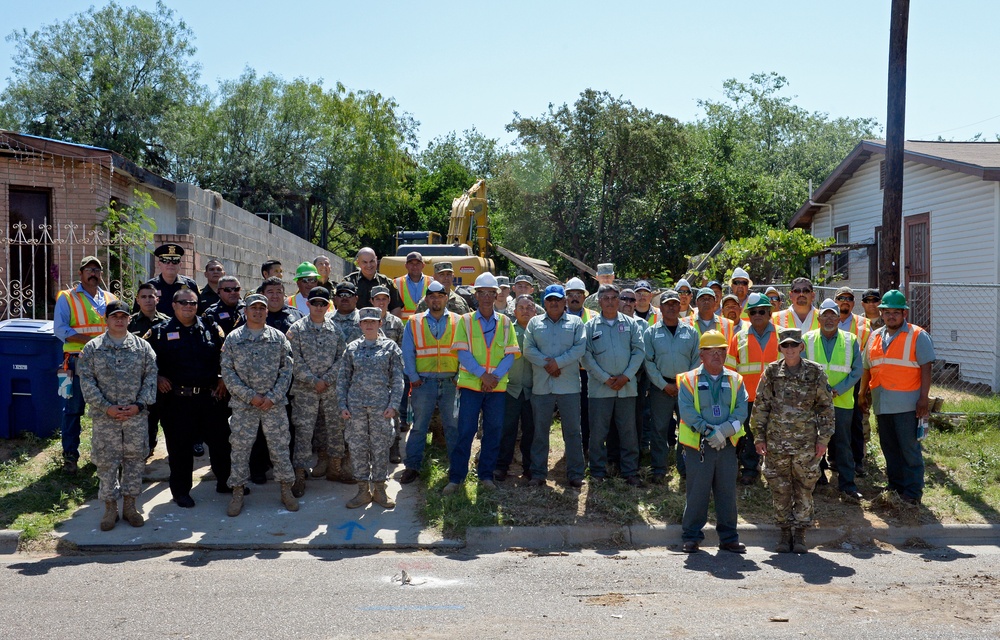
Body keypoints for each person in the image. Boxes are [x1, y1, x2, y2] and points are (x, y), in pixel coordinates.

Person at [753, 328, 835, 553]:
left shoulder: (815, 372)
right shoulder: (771, 372)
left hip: (806, 443)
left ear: (801, 347)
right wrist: (759, 437)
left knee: (804, 487)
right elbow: (761, 406)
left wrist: (823, 439)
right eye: (785, 345)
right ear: (780, 348)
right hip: (776, 442)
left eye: (793, 345)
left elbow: (826, 407)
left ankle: (800, 534)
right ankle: (783, 533)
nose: (789, 349)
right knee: (780, 488)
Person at [77, 300, 157, 531]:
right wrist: (106, 407)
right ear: (107, 319)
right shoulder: (92, 348)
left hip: (135, 417)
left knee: (135, 461)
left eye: (123, 316)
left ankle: (130, 506)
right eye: (115, 316)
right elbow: (87, 382)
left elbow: (151, 378)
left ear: (129, 319)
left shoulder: (143, 348)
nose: (119, 320)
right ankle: (110, 508)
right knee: (106, 463)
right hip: (106, 418)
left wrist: (139, 405)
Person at [144, 289, 228, 507]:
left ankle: (226, 482)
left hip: (210, 398)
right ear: (174, 305)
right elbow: (143, 362)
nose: (189, 306)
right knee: (180, 448)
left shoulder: (211, 328)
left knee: (221, 442)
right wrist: (157, 376)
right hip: (176, 401)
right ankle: (181, 492)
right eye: (184, 303)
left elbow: (226, 355)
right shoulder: (159, 332)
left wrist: (223, 377)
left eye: (193, 303)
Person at [222, 294, 298, 516]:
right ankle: (237, 491)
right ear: (245, 311)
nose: (257, 312)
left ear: (266, 311)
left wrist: (273, 396)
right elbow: (227, 372)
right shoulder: (233, 338)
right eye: (253, 308)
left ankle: (286, 489)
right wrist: (250, 396)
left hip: (273, 405)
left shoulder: (278, 337)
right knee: (240, 449)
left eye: (261, 308)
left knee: (280, 448)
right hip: (244, 406)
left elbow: (287, 369)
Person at [444, 273, 520, 494]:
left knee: (493, 431)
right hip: (471, 386)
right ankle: (456, 478)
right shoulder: (466, 321)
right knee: (465, 432)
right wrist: (482, 375)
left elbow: (511, 353)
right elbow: (462, 352)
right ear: (476, 295)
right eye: (482, 293)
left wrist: (493, 377)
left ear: (496, 295)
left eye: (490, 293)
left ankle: (486, 475)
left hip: (496, 388)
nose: (486, 297)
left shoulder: (505, 322)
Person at [859, 290, 935, 506]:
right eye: (887, 312)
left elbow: (926, 367)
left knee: (909, 449)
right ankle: (895, 486)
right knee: (889, 447)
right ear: (881, 313)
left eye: (896, 312)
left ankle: (912, 492)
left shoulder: (917, 335)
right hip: (882, 403)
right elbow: (867, 367)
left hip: (907, 405)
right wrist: (862, 393)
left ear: (904, 314)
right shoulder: (875, 336)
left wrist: (923, 399)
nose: (891, 316)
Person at [677, 330, 749, 554]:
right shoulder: (688, 380)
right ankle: (691, 537)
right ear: (701, 355)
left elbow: (741, 410)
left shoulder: (736, 379)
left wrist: (724, 432)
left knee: (727, 493)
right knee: (697, 493)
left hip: (726, 446)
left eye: (721, 351)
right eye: (711, 351)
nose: (717, 355)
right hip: (699, 446)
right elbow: (687, 412)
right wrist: (710, 433)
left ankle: (729, 538)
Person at [54, 256, 118, 473]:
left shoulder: (110, 298)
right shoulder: (66, 297)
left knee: (104, 410)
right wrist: (92, 342)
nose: (93, 273)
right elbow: (60, 330)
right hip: (73, 362)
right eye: (89, 269)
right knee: (71, 410)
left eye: (97, 270)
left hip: (105, 362)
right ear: (80, 273)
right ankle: (70, 457)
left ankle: (101, 455)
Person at [338, 307, 406, 508]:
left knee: (380, 447)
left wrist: (394, 405)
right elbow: (343, 379)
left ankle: (379, 490)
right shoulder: (351, 349)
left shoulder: (390, 347)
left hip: (381, 408)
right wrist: (342, 405)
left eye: (373, 322)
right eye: (365, 322)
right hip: (356, 408)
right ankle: (362, 491)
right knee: (357, 447)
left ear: (380, 324)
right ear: (360, 325)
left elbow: (398, 379)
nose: (369, 325)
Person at [524, 284, 587, 487]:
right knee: (540, 431)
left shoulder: (576, 323)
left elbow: (580, 348)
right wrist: (548, 365)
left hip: (569, 387)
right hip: (542, 386)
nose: (554, 303)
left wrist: (557, 363)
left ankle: (575, 474)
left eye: (558, 299)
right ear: (544, 302)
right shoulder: (534, 323)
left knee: (572, 431)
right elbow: (528, 349)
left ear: (564, 301)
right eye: (550, 300)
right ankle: (538, 473)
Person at [582, 284, 646, 485]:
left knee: (628, 432)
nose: (610, 301)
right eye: (606, 298)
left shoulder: (631, 324)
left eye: (613, 298)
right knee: (598, 433)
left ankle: (630, 471)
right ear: (599, 301)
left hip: (626, 388)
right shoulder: (590, 327)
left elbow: (639, 351)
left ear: (618, 301)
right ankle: (597, 471)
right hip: (600, 389)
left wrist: (626, 376)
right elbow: (585, 356)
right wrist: (605, 378)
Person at [286, 286, 346, 498]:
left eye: (323, 303)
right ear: (308, 304)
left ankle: (335, 467)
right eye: (315, 303)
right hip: (305, 390)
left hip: (330, 390)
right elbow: (293, 359)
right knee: (303, 432)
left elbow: (342, 358)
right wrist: (313, 380)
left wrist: (327, 379)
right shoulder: (296, 329)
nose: (319, 307)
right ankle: (300, 474)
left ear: (328, 305)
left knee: (336, 428)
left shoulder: (336, 329)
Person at [399, 281, 460, 484]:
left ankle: (457, 467)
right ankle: (412, 467)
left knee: (453, 426)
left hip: (451, 382)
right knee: (419, 427)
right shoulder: (414, 322)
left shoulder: (459, 321)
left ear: (446, 298)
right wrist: (413, 377)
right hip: (423, 383)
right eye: (432, 296)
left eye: (440, 296)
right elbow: (407, 352)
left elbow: (466, 350)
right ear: (426, 299)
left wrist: (459, 376)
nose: (436, 300)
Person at [805, 299, 864, 502]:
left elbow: (857, 370)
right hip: (815, 402)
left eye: (833, 315)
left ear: (839, 319)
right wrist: (819, 392)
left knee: (843, 443)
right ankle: (816, 478)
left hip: (842, 402)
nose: (829, 319)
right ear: (818, 318)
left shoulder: (851, 340)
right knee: (814, 441)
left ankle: (847, 485)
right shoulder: (807, 339)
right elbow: (802, 370)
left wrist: (839, 389)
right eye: (825, 315)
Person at [644, 290, 700, 483]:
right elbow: (648, 362)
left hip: (685, 388)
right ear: (660, 307)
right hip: (661, 388)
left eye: (675, 303)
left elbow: (696, 359)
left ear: (679, 306)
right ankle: (659, 468)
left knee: (686, 427)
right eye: (667, 304)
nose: (671, 307)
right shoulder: (651, 332)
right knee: (659, 429)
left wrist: (684, 383)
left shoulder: (691, 332)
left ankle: (685, 467)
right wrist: (663, 384)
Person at [726, 293, 780, 485]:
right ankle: (749, 469)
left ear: (770, 313)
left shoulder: (782, 335)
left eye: (762, 311)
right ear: (748, 314)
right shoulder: (739, 337)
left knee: (777, 433)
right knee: (751, 434)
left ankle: (776, 471)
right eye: (753, 312)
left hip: (777, 396)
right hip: (748, 396)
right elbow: (730, 369)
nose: (757, 315)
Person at [495, 294, 537, 482]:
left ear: (535, 311)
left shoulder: (539, 331)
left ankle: (530, 468)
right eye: (521, 307)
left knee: (531, 431)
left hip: (533, 390)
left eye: (529, 307)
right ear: (514, 311)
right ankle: (501, 466)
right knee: (507, 430)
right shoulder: (507, 330)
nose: (525, 311)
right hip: (510, 389)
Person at [129, 282, 170, 458]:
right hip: (140, 381)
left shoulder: (168, 322)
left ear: (157, 299)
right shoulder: (130, 323)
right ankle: (147, 448)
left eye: (151, 296)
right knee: (146, 418)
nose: (147, 300)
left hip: (165, 382)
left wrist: (162, 376)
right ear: (137, 300)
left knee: (167, 418)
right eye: (143, 297)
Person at [371, 284, 405, 463]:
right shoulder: (365, 320)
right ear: (371, 301)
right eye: (377, 299)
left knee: (393, 411)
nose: (381, 302)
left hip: (390, 374)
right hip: (369, 375)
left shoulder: (396, 323)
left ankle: (394, 446)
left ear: (389, 301)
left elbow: (401, 349)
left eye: (384, 299)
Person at [564, 277, 594, 456]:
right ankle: (571, 448)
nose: (575, 297)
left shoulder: (593, 316)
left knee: (587, 410)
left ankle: (586, 446)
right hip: (566, 372)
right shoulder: (558, 315)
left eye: (578, 294)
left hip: (587, 372)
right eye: (571, 294)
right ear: (566, 297)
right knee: (569, 413)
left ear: (584, 297)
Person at [135, 244, 200, 317]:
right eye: (166, 261)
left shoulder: (190, 285)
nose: (170, 264)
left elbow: (199, 311)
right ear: (159, 264)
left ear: (180, 265)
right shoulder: (150, 287)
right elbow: (138, 314)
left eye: (175, 261)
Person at [344, 247, 403, 312]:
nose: (369, 265)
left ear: (376, 260)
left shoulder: (387, 283)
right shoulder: (349, 282)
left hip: (381, 319)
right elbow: (341, 306)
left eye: (372, 261)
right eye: (365, 262)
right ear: (358, 263)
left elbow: (396, 308)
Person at [394, 251, 432, 321]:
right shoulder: (396, 283)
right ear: (406, 266)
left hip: (426, 325)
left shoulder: (432, 282)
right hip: (404, 327)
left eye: (418, 264)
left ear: (423, 265)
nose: (415, 266)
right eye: (411, 263)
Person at [331, 281, 363, 346]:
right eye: (341, 295)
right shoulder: (326, 319)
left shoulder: (364, 319)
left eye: (349, 295)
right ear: (335, 299)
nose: (344, 298)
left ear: (356, 298)